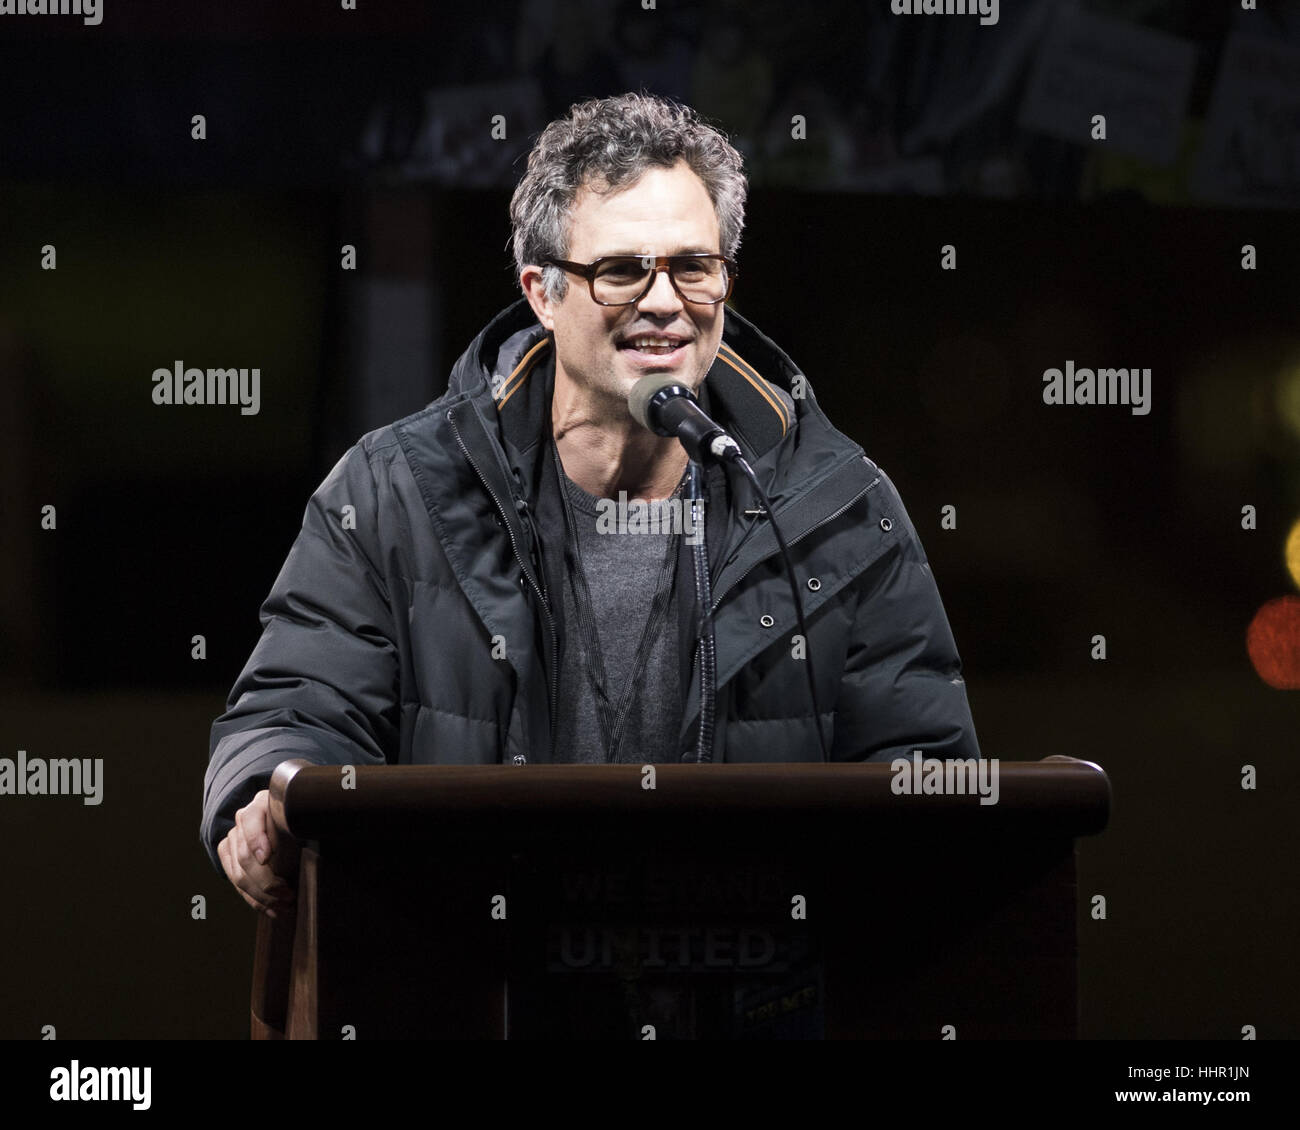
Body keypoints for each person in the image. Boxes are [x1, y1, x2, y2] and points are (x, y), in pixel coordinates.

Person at [202, 92, 980, 918]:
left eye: (692, 266)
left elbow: (924, 770)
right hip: (477, 984)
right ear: (541, 292)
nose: (663, 301)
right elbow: (295, 708)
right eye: (620, 270)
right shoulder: (394, 491)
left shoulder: (837, 506)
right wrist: (261, 797)